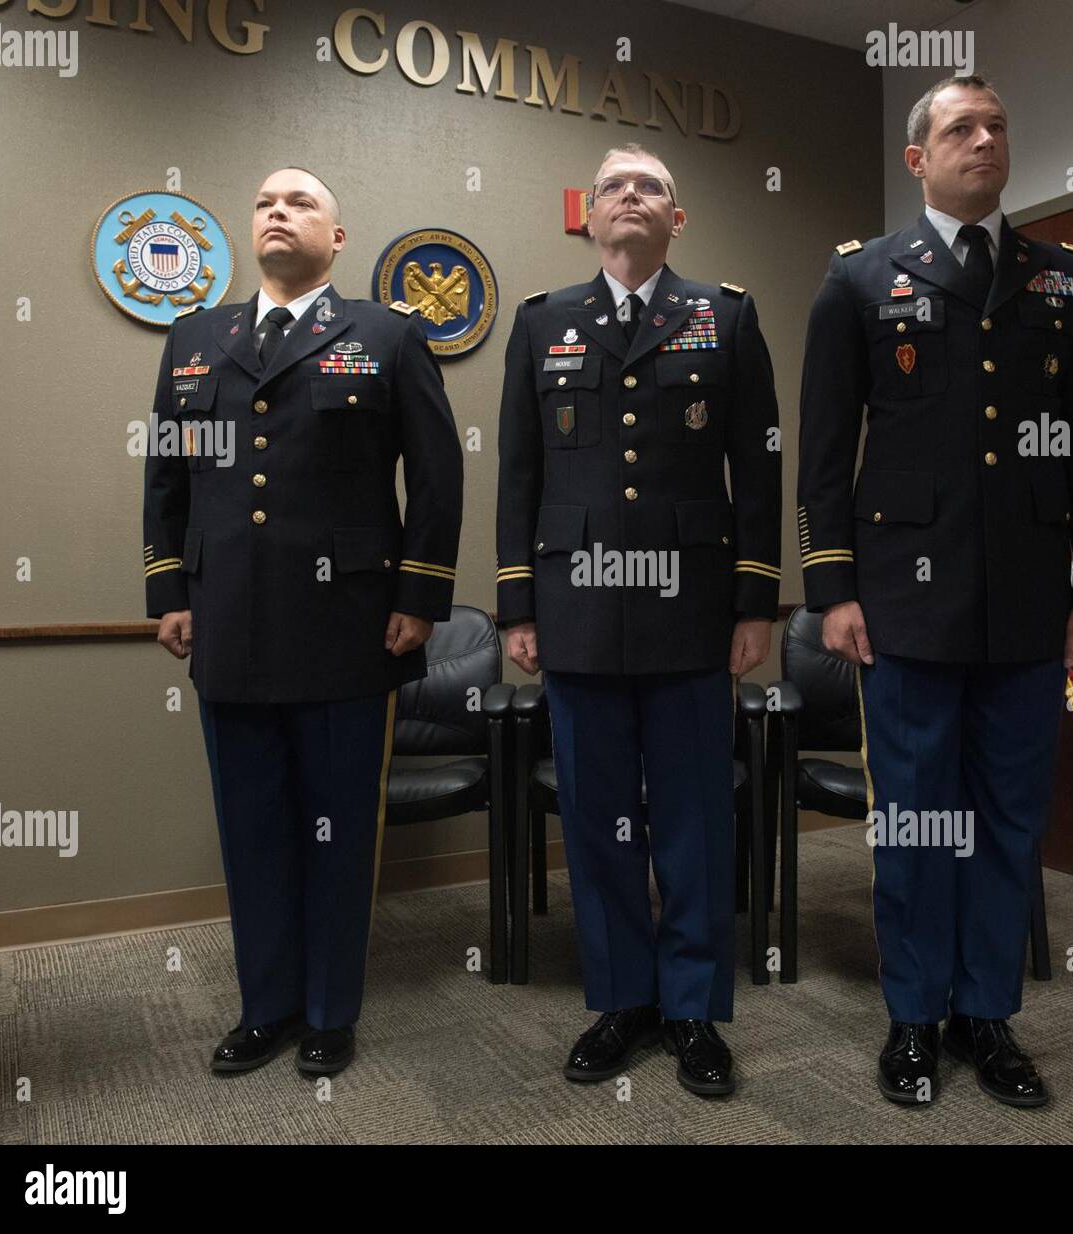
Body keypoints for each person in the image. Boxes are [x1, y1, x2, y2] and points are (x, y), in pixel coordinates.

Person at [798, 76, 1073, 1107]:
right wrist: (833, 591)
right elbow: (819, 455)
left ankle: (987, 1017)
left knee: (1006, 820)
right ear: (917, 158)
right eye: (959, 129)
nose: (983, 140)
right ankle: (913, 1017)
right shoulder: (860, 280)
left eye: (995, 127)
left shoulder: (1062, 279)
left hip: (1030, 604)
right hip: (902, 606)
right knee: (916, 820)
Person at [142, 167, 463, 1076]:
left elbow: (437, 481)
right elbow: (168, 475)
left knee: (336, 827)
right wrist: (169, 588)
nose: (278, 212)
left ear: (339, 235)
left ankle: (329, 1010)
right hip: (228, 623)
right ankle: (267, 1006)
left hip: (347, 624)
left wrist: (418, 595)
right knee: (251, 826)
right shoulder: (195, 338)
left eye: (301, 203)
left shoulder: (388, 334)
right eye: (265, 203)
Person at [496, 143, 782, 1096]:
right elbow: (520, 478)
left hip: (692, 614)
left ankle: (693, 1008)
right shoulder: (543, 324)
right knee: (599, 817)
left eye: (650, 187)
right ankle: (621, 998)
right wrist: (517, 607)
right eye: (614, 185)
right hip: (575, 609)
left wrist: (754, 604)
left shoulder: (727, 317)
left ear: (676, 217)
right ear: (589, 214)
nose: (631, 197)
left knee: (696, 817)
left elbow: (759, 472)